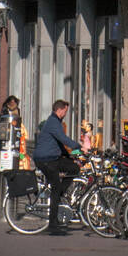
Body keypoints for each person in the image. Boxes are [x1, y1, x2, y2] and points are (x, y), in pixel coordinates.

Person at [33, 99, 81, 235]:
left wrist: (68, 156)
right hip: (45, 159)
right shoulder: (53, 122)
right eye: (65, 111)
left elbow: (59, 144)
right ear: (59, 110)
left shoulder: (55, 122)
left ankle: (60, 193)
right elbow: (63, 139)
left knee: (74, 168)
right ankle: (52, 224)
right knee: (56, 186)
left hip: (52, 157)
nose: (66, 114)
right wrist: (78, 146)